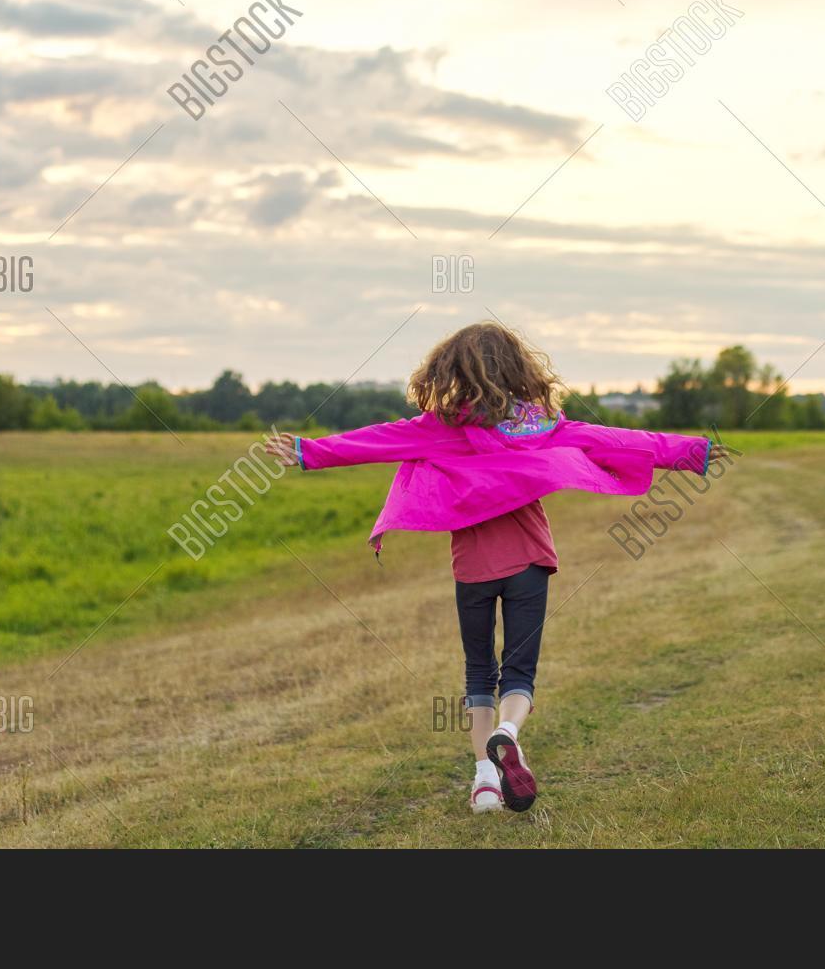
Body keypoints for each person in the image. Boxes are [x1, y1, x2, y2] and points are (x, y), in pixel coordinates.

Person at [265, 322, 724, 814]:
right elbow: (621, 439)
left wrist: (306, 451)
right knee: (520, 670)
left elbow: (376, 441)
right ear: (518, 369)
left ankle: (485, 781)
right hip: (530, 560)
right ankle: (509, 732)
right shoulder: (546, 427)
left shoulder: (439, 428)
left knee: (479, 672)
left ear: (452, 371)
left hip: (473, 568)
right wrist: (691, 451)